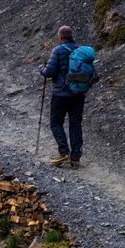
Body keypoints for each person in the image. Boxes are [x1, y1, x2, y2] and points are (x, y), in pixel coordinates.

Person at [40, 25, 85, 169]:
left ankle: (64, 152)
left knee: (56, 123)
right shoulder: (81, 50)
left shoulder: (58, 50)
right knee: (75, 125)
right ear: (72, 36)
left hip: (61, 94)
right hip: (78, 94)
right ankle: (75, 158)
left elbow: (49, 72)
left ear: (60, 38)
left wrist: (42, 69)